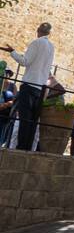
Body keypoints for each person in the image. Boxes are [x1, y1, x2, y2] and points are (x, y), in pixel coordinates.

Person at [0, 22, 55, 152]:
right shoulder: (51, 47)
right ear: (49, 33)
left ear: (38, 30)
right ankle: (28, 148)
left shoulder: (36, 43)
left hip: (29, 85)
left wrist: (12, 52)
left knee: (25, 119)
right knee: (33, 120)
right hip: (40, 87)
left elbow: (25, 61)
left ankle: (21, 147)